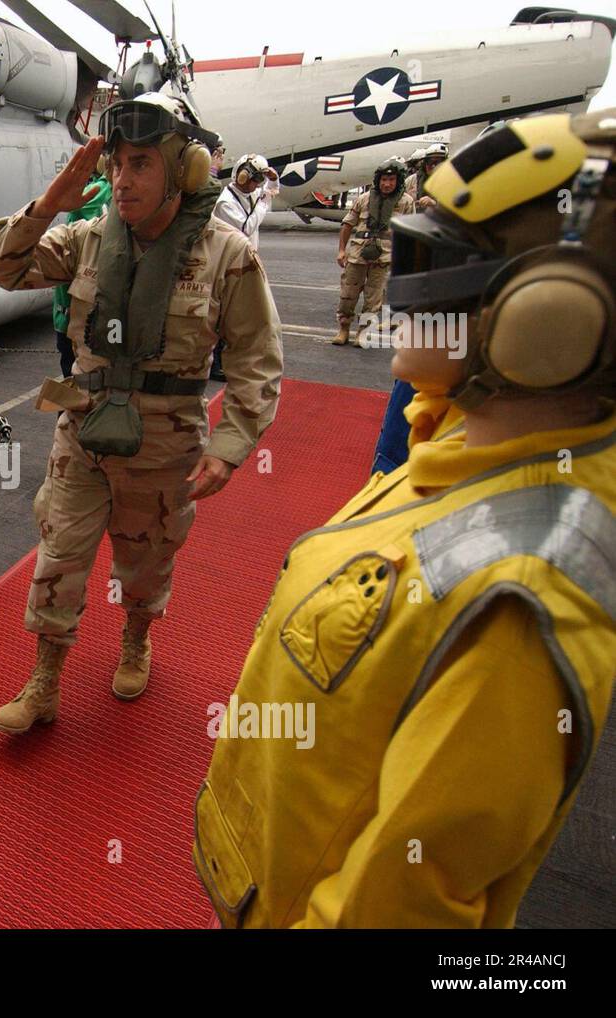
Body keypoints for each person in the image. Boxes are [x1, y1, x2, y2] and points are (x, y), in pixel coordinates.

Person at [193, 110, 616, 928]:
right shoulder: (462, 435)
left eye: (438, 264)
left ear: (547, 322)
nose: (404, 290)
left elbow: (403, 902)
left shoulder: (525, 601)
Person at [0, 92, 283, 733]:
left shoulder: (227, 254)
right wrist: (50, 202)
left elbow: (258, 357)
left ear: (184, 170)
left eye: (142, 163)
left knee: (144, 566)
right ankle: (45, 682)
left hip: (165, 442)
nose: (122, 179)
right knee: (59, 553)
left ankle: (137, 638)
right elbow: (1, 267)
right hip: (84, 428)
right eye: (116, 163)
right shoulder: (88, 239)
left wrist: (230, 446)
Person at [332, 158, 416, 346]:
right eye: (383, 180)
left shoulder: (406, 203)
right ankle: (343, 329)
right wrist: (341, 250)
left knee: (373, 299)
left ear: (398, 181)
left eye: (391, 180)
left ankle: (362, 333)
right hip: (358, 254)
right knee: (347, 295)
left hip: (384, 257)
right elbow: (347, 224)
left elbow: (409, 232)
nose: (386, 184)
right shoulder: (364, 199)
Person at [51, 156, 112, 378]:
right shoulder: (95, 195)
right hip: (72, 317)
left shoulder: (109, 201)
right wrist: (109, 179)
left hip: (97, 317)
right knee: (74, 385)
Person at [211, 152, 280, 251]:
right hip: (231, 261)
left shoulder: (250, 193)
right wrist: (263, 202)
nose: (258, 185)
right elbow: (246, 228)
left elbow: (271, 190)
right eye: (257, 180)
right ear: (243, 179)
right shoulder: (225, 203)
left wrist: (273, 179)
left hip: (246, 257)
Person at [405, 140, 448, 208]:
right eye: (430, 162)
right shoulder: (412, 180)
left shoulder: (451, 182)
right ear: (425, 163)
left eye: (438, 163)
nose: (433, 166)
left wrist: (435, 204)